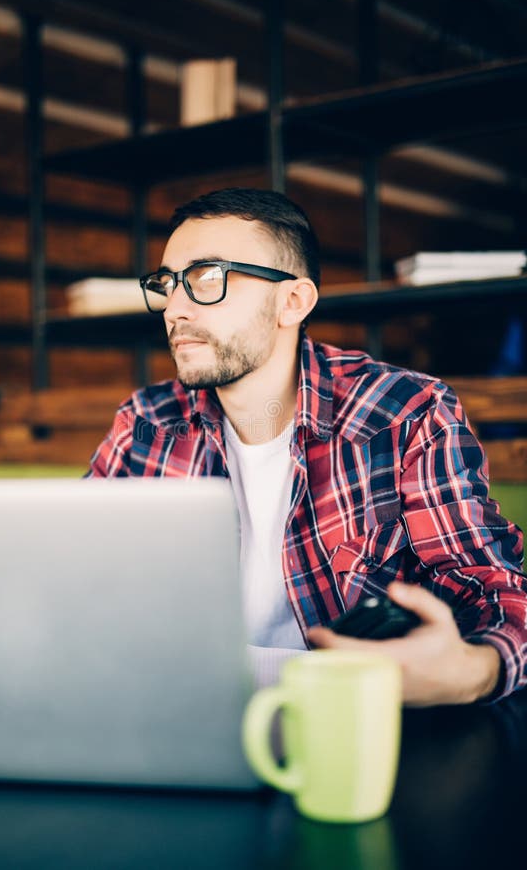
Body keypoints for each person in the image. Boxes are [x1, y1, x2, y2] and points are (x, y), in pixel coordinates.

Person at [88, 187, 526, 706]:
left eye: (207, 278)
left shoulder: (406, 413)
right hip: (175, 704)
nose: (175, 308)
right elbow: (75, 575)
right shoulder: (145, 422)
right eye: (167, 283)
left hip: (342, 716)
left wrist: (474, 669)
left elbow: (490, 586)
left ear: (292, 302)